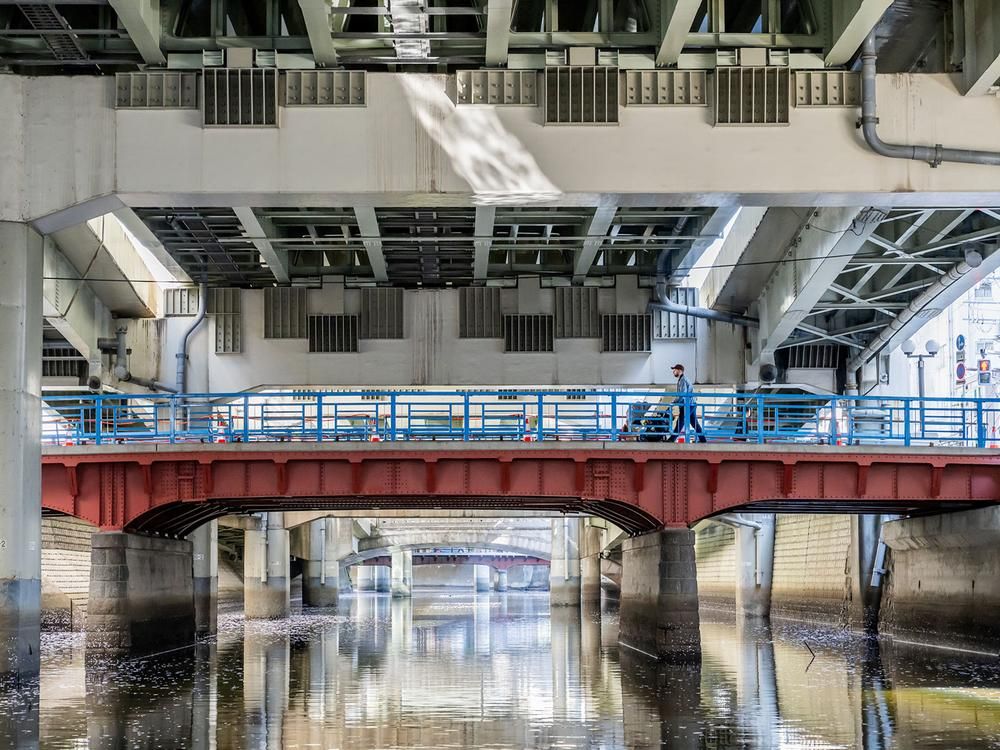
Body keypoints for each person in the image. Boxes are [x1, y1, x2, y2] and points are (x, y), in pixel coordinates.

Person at [666, 364, 706, 443]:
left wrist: (674, 402)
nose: (673, 372)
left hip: (688, 405)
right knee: (694, 423)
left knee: (680, 421)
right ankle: (703, 440)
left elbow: (683, 394)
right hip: (691, 404)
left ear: (679, 371)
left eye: (675, 370)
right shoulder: (682, 379)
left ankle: (672, 439)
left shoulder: (683, 380)